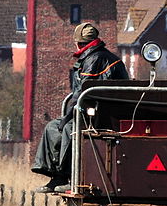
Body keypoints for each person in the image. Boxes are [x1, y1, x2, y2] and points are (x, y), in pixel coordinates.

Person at [32, 22, 129, 192]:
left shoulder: (94, 59)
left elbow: (82, 93)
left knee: (69, 128)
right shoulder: (100, 56)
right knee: (52, 127)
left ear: (79, 43)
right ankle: (57, 177)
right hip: (97, 111)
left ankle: (71, 176)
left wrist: (67, 118)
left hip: (101, 115)